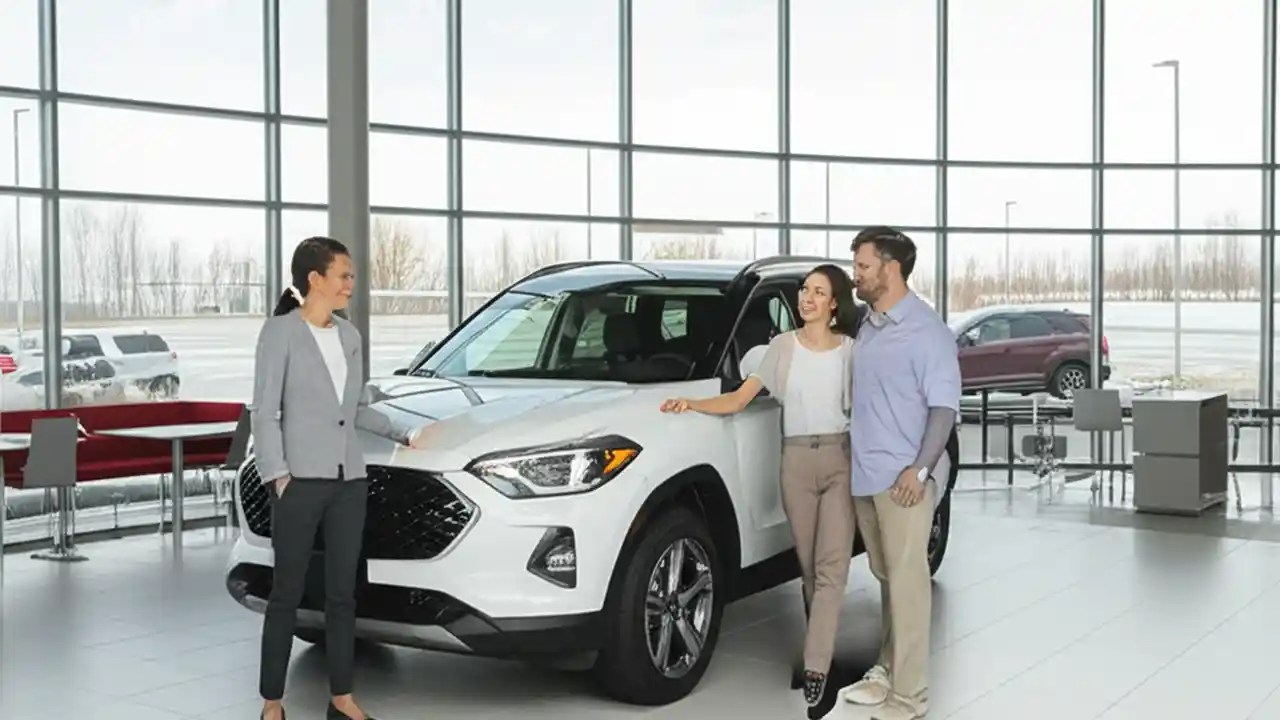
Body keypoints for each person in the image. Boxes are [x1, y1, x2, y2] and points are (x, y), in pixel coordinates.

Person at [660, 264, 860, 707]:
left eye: (817, 292)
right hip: (795, 465)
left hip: (839, 461)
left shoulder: (851, 351)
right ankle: (821, 642)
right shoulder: (781, 348)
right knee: (810, 569)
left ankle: (816, 666)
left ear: (834, 304)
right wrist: (690, 403)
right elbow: (738, 399)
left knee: (830, 572)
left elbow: (872, 408)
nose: (806, 298)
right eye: (805, 290)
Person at [253, 236, 430, 720]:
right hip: (298, 484)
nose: (352, 283)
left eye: (352, 275)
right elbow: (264, 413)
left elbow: (357, 409)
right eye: (344, 275)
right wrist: (278, 477)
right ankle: (272, 703)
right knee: (286, 594)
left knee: (342, 596)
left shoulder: (351, 338)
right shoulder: (279, 333)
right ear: (315, 279)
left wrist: (408, 431)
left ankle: (342, 698)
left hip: (349, 481)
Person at [838, 227, 960, 720]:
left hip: (904, 481)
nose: (856, 276)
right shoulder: (870, 325)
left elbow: (944, 410)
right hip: (866, 476)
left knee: (909, 588)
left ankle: (911, 696)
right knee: (888, 579)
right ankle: (887, 670)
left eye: (863, 266)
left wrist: (921, 469)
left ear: (889, 269)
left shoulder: (927, 332)